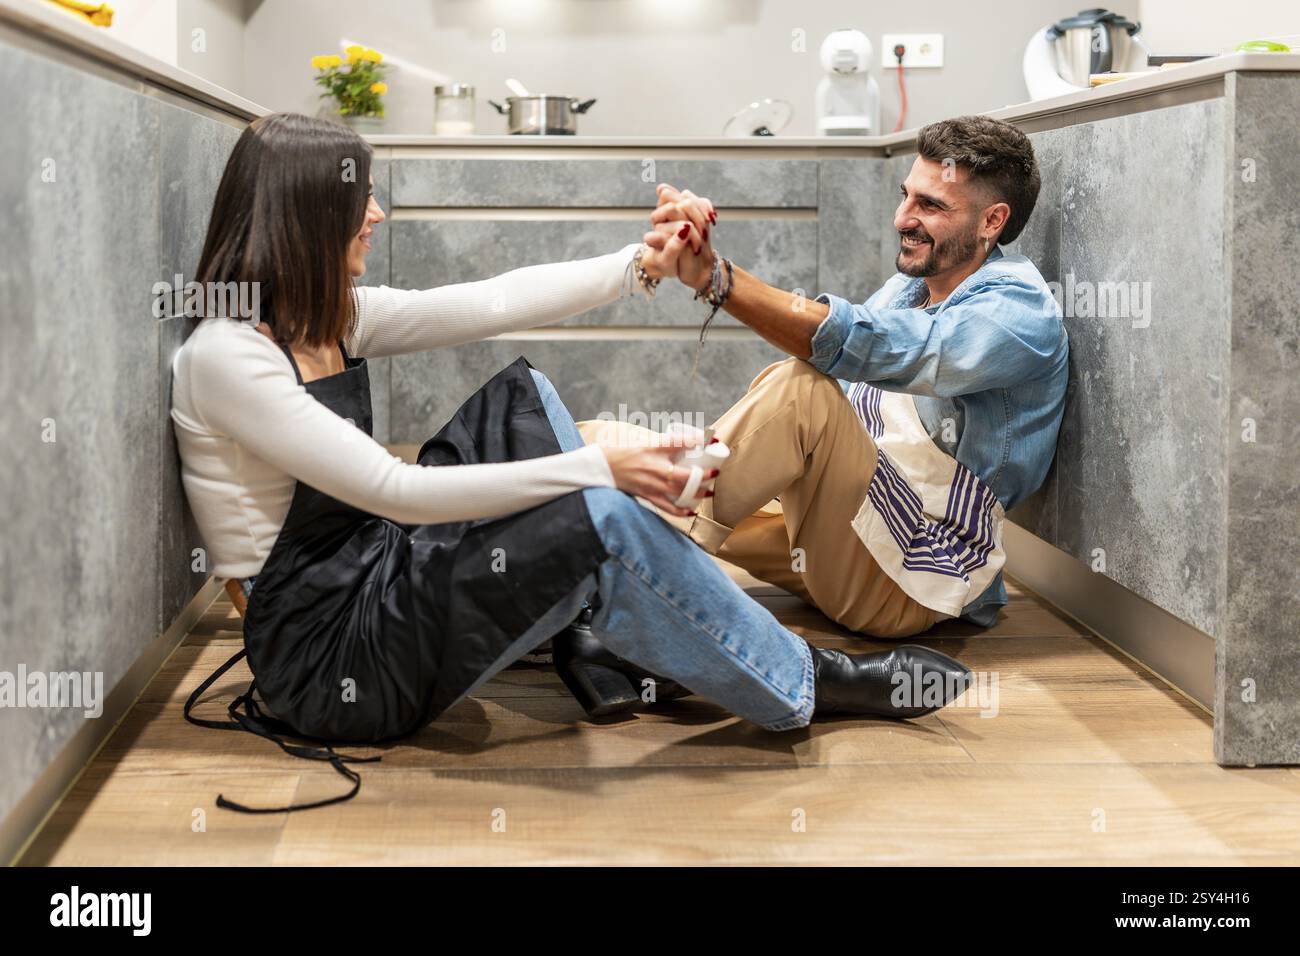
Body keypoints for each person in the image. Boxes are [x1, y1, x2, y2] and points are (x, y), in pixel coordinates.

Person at [172, 113, 971, 813]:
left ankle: (594, 630)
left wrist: (645, 261)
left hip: (374, 575)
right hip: (331, 660)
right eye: (359, 201)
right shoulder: (231, 357)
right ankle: (803, 679)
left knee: (522, 399)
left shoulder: (327, 317)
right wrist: (599, 469)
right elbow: (398, 490)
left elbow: (494, 300)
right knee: (602, 516)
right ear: (306, 216)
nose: (376, 214)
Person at [632, 115, 1069, 639]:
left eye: (930, 206)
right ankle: (598, 567)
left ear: (992, 221)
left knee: (801, 391)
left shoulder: (1016, 313)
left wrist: (716, 278)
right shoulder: (910, 289)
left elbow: (876, 348)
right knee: (618, 451)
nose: (902, 218)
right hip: (843, 534)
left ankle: (624, 582)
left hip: (912, 572)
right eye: (907, 196)